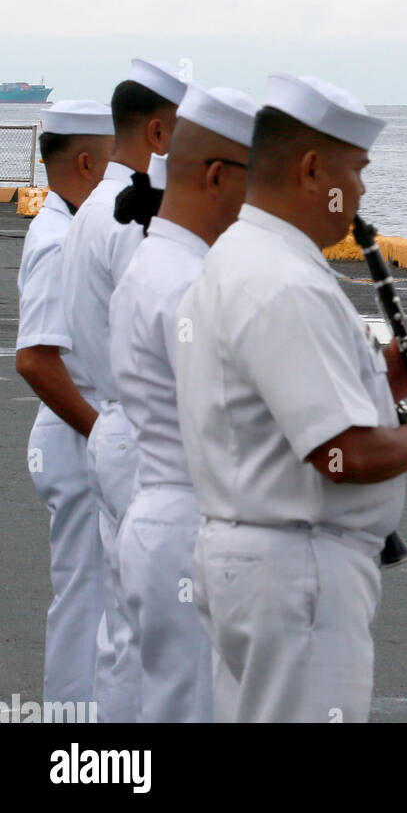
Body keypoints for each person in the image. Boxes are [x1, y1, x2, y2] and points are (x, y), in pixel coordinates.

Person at [175, 74, 407, 723]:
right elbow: (336, 455)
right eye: (357, 171)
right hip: (297, 570)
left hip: (252, 559)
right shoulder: (286, 281)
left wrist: (381, 384)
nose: (361, 191)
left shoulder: (241, 256)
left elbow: (272, 411)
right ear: (313, 168)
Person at [112, 84, 257, 723]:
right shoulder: (189, 282)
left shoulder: (156, 263)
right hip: (195, 527)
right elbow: (240, 428)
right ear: (218, 176)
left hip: (161, 516)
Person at [61, 58, 187, 722]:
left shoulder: (91, 211)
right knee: (163, 639)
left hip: (115, 429)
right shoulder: (133, 220)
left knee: (125, 629)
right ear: (160, 132)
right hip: (147, 437)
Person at [16, 100, 115, 710]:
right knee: (85, 601)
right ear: (85, 162)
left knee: (102, 599)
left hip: (85, 431)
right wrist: (104, 434)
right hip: (80, 437)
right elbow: (36, 359)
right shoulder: (58, 240)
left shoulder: (74, 229)